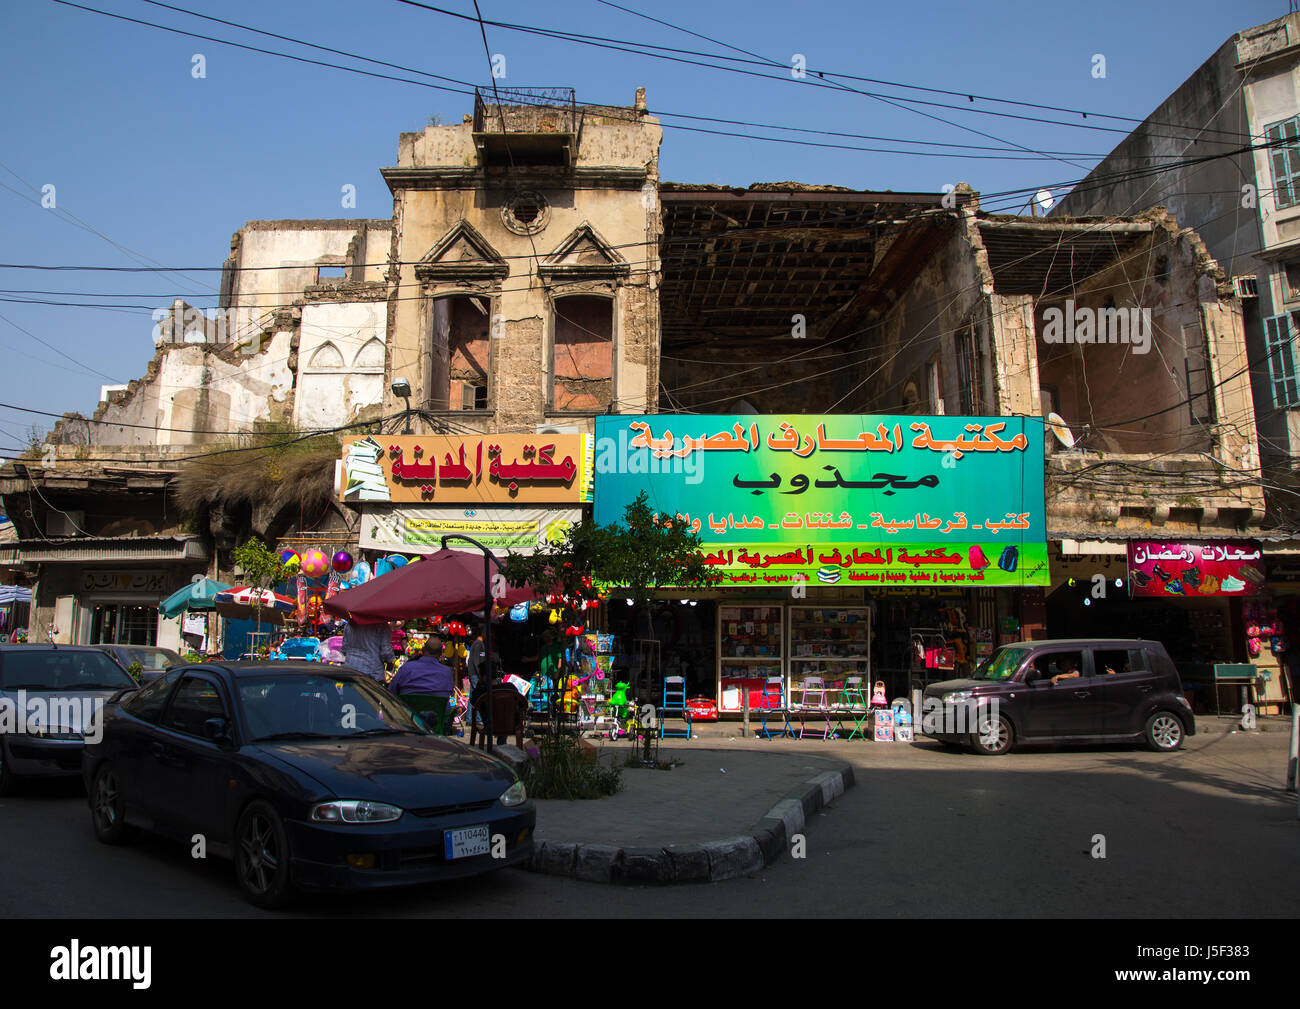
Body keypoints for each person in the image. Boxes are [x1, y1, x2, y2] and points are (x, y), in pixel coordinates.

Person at [388, 636, 455, 732]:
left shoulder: (407, 667)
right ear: (441, 654)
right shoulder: (447, 672)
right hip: (437, 725)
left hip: (410, 721)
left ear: (423, 650)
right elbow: (450, 692)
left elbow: (391, 691)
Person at [341, 619, 395, 683]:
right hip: (371, 672)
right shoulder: (382, 626)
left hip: (350, 669)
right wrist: (390, 663)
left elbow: (344, 648)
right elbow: (386, 652)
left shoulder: (350, 624)